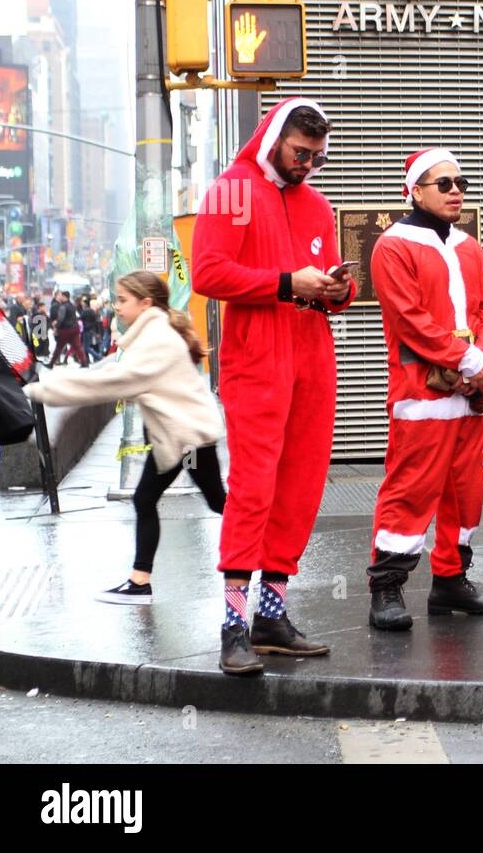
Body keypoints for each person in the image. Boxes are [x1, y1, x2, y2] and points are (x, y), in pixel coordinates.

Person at [192, 97, 355, 676]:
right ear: (272, 139)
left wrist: (337, 291)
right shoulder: (232, 189)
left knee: (302, 486)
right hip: (257, 358)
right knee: (255, 488)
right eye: (298, 153)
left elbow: (328, 271)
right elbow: (208, 272)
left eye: (315, 156)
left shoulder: (316, 203)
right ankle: (234, 624)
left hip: (312, 353)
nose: (307, 165)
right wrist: (288, 282)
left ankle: (271, 615)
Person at [366, 148, 483, 629]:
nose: (455, 192)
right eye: (443, 183)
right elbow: (410, 320)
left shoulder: (468, 245)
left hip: (470, 393)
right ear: (415, 190)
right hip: (421, 394)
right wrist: (467, 359)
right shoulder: (392, 245)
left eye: (460, 182)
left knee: (466, 491)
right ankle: (386, 588)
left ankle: (450, 580)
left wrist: (480, 360)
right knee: (410, 489)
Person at [25, 271, 225, 604]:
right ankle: (140, 581)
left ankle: (142, 582)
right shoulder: (154, 333)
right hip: (183, 437)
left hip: (186, 439)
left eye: (122, 300)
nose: (116, 306)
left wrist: (40, 390)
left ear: (145, 303)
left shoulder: (156, 340)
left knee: (207, 501)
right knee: (183, 500)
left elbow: (107, 383)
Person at [49, 290, 88, 368]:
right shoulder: (72, 305)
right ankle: (84, 363)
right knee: (78, 346)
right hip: (74, 328)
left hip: (65, 330)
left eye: (61, 296)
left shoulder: (63, 306)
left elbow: (60, 318)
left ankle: (51, 364)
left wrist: (56, 327)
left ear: (64, 297)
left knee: (59, 347)